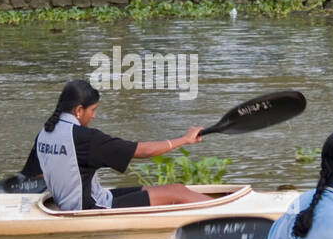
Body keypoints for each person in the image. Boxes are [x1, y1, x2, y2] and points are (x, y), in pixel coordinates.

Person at [20, 79, 213, 211]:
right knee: (175, 192)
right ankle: (230, 212)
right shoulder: (84, 138)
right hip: (91, 210)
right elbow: (143, 151)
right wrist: (184, 139)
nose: (94, 115)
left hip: (77, 203)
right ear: (79, 110)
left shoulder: (45, 133)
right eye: (93, 110)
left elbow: (36, 175)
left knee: (170, 188)